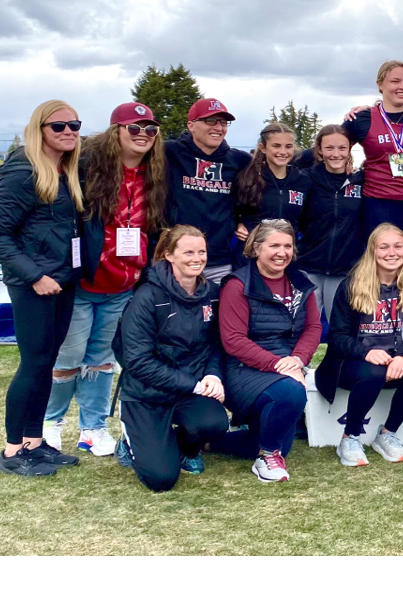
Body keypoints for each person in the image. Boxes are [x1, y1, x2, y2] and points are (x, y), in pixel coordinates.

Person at [44, 102, 167, 457]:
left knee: (100, 358)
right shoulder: (86, 168)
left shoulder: (154, 176)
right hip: (85, 283)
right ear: (116, 132)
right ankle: (50, 423)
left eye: (151, 129)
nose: (143, 135)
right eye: (135, 128)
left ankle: (93, 427)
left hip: (124, 286)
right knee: (68, 357)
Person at [0, 100, 85, 476]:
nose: (68, 132)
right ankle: (13, 452)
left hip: (62, 282)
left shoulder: (64, 170)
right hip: (35, 285)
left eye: (74, 125)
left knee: (46, 363)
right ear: (39, 128)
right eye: (58, 126)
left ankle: (33, 442)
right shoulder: (22, 169)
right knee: (32, 364)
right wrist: (35, 276)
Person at [115, 225, 229, 491]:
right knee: (161, 480)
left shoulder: (211, 293)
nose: (197, 258)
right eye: (188, 252)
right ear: (168, 254)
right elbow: (137, 361)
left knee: (214, 425)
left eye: (201, 251)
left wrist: (213, 375)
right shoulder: (147, 296)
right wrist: (194, 385)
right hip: (147, 394)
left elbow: (215, 343)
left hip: (188, 390)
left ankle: (185, 447)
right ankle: (131, 439)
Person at [317, 224, 403, 467]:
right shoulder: (351, 285)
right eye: (384, 247)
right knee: (373, 371)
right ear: (373, 252)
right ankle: (349, 437)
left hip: (393, 360)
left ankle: (387, 433)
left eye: (398, 246)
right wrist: (366, 352)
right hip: (351, 363)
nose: (392, 253)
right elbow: (337, 337)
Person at [217, 219, 321, 482]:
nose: (282, 252)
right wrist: (280, 365)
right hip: (242, 370)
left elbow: (313, 327)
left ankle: (209, 442)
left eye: (288, 246)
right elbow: (233, 340)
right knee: (291, 391)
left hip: (287, 366)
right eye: (274, 245)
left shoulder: (301, 282)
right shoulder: (238, 285)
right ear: (256, 248)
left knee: (282, 444)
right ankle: (266, 457)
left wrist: (297, 360)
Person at [342, 61, 403, 275]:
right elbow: (331, 146)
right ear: (380, 85)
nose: (402, 86)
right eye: (395, 81)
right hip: (380, 203)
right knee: (382, 267)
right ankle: (379, 309)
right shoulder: (363, 119)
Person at [164, 98, 252, 283]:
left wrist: (244, 220)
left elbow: (257, 196)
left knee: (216, 311)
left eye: (223, 122)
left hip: (219, 261)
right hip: (176, 259)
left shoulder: (239, 161)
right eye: (210, 121)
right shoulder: (169, 152)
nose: (218, 127)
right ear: (191, 125)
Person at [298, 125, 365, 321]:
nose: (336, 154)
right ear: (318, 149)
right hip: (308, 267)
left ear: (350, 148)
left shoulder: (361, 181)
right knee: (301, 327)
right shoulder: (306, 179)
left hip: (345, 269)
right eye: (329, 148)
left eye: (342, 148)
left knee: (340, 329)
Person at [232, 122, 309, 268]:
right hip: (249, 259)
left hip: (285, 259)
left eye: (288, 146)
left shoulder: (303, 180)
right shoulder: (247, 177)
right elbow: (229, 208)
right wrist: (238, 224)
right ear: (263, 148)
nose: (283, 151)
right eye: (276, 146)